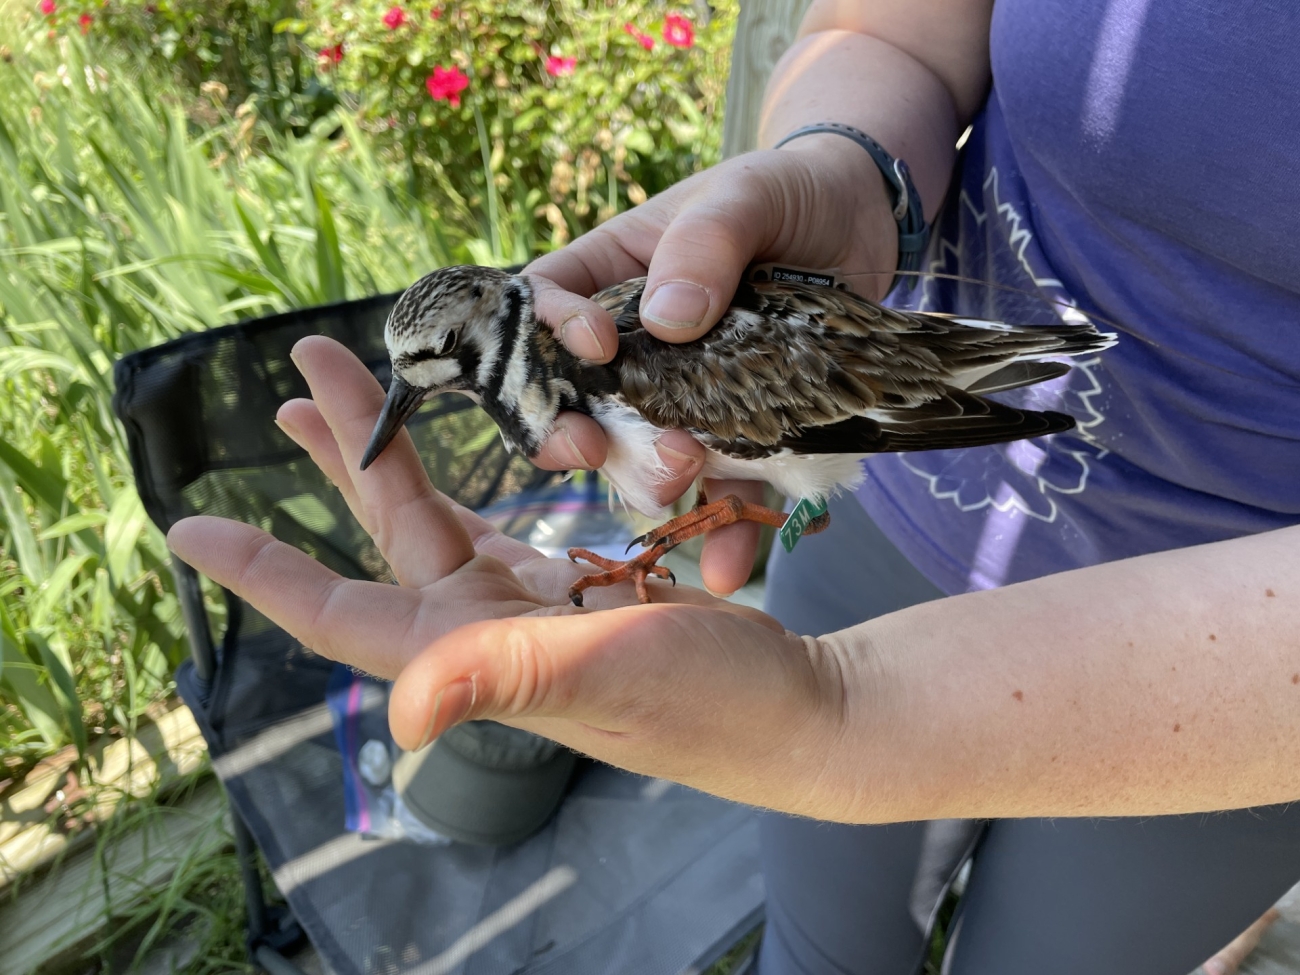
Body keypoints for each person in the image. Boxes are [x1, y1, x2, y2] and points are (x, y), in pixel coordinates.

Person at [167, 1, 1300, 972]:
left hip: (1230, 699)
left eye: (429, 373)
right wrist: (841, 166)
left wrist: (844, 721)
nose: (417, 394)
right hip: (876, 533)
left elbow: (809, 438)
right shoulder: (593, 345)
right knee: (817, 946)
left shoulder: (618, 366)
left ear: (478, 345)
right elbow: (887, 26)